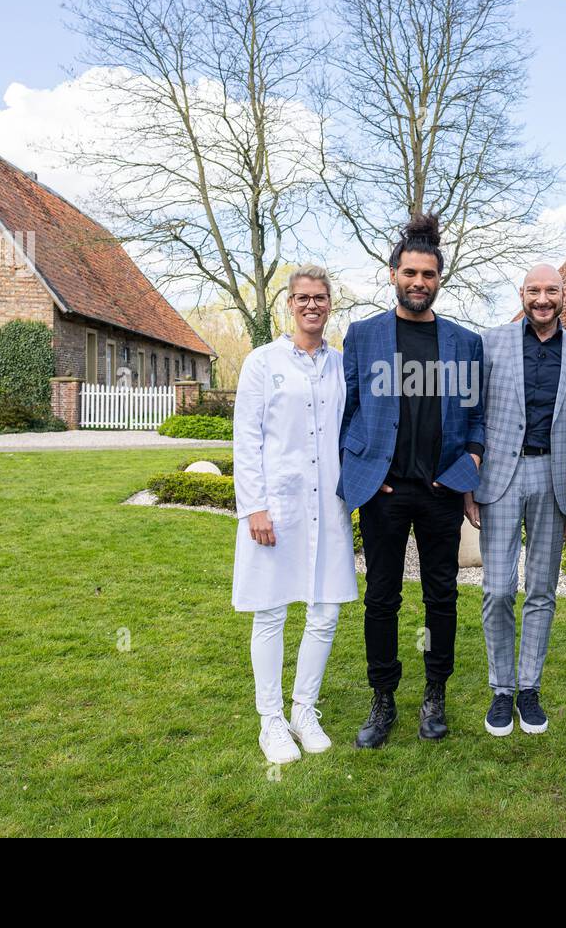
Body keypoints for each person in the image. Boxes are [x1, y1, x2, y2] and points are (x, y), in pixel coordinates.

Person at [338, 213, 485, 748]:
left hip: (441, 491)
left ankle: (434, 695)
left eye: (427, 274)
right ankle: (382, 700)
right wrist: (363, 473)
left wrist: (465, 471)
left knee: (440, 597)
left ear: (439, 279)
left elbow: (475, 419)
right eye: (409, 272)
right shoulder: (363, 336)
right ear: (393, 273)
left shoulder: (464, 344)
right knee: (381, 599)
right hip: (385, 492)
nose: (417, 282)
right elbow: (346, 412)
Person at [232, 266, 358, 765]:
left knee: (325, 609)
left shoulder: (342, 366)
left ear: (330, 304)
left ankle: (304, 708)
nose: (312, 305)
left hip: (326, 502)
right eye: (303, 298)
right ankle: (271, 721)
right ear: (290, 304)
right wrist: (255, 506)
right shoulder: (263, 363)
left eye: (320, 298)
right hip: (276, 505)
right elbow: (247, 438)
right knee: (271, 609)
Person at [466, 263, 566, 736]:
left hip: (554, 478)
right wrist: (467, 483)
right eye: (534, 290)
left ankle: (529, 687)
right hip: (499, 475)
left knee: (542, 590)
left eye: (552, 291)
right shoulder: (489, 343)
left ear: (564, 295)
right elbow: (470, 414)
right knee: (498, 589)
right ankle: (501, 689)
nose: (543, 299)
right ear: (521, 294)